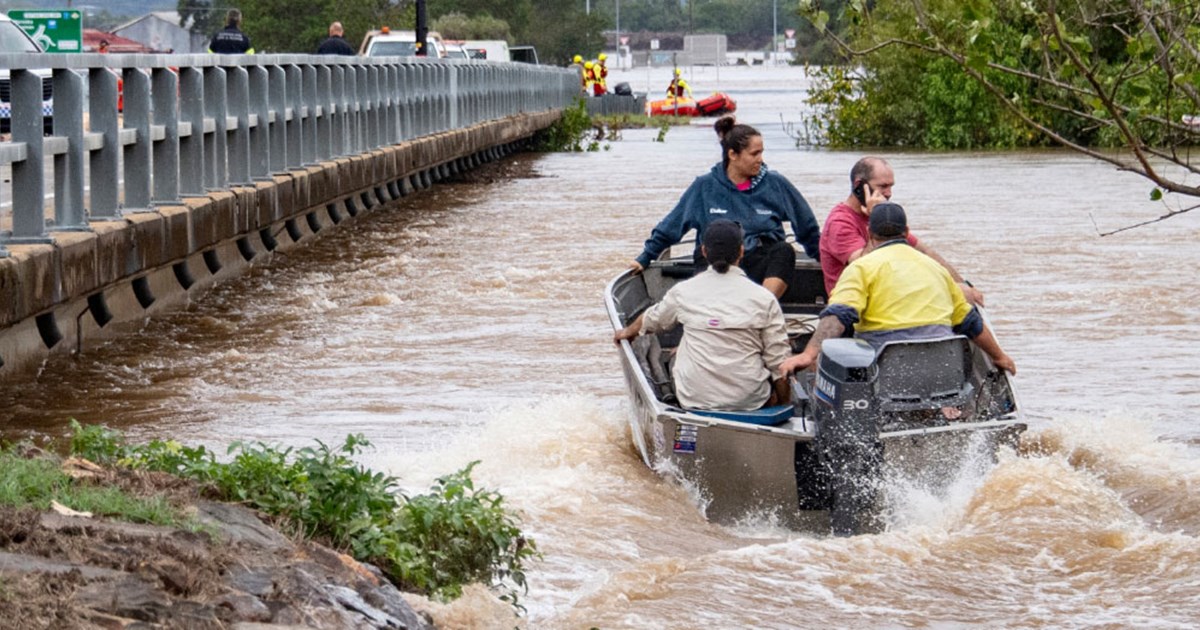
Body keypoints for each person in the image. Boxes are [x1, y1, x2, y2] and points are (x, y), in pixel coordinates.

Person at [781, 202, 1015, 377]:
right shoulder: (936, 269)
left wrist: (808, 354)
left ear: (870, 235)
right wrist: (1000, 357)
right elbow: (970, 323)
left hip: (885, 377)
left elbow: (838, 317)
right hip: (944, 376)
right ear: (906, 232)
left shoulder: (861, 268)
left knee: (841, 348)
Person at [630, 116, 821, 299]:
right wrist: (645, 258)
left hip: (759, 265)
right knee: (701, 252)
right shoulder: (704, 186)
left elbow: (807, 228)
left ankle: (763, 307)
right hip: (717, 265)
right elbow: (672, 226)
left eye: (762, 152)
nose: (760, 159)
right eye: (755, 154)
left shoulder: (776, 184)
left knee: (784, 250)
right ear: (733, 155)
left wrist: (824, 258)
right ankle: (710, 307)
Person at [615, 220, 792, 411]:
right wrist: (783, 405)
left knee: (679, 351)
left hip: (693, 400)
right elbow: (779, 363)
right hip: (750, 401)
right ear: (742, 252)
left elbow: (652, 320)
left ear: (704, 252)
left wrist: (628, 332)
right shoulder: (764, 298)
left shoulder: (683, 291)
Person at [820, 157, 983, 305]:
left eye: (891, 186)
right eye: (882, 186)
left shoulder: (884, 215)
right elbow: (863, 267)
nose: (889, 193)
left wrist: (963, 284)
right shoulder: (840, 222)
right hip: (855, 305)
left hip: (887, 294)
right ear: (858, 186)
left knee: (963, 294)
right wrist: (875, 219)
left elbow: (925, 251)